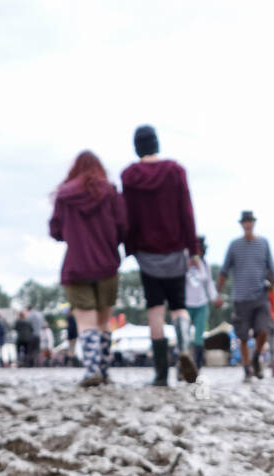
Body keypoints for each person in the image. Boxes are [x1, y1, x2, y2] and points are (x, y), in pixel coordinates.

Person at [121, 124, 199, 387]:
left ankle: (161, 374)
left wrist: (130, 248)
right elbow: (186, 211)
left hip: (147, 254)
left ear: (137, 147)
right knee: (179, 307)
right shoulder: (176, 171)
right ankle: (186, 347)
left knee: (155, 310)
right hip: (175, 251)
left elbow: (128, 214)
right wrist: (194, 249)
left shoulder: (130, 176)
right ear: (157, 144)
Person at [49, 150, 127, 386]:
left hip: (76, 265)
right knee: (104, 322)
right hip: (107, 264)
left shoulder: (65, 195)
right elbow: (124, 226)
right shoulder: (111, 192)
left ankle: (92, 368)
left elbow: (55, 230)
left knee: (86, 323)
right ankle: (103, 371)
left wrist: (74, 232)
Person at [217, 211, 274, 381]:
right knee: (242, 336)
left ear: (253, 223)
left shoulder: (263, 243)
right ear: (242, 224)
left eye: (250, 221)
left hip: (260, 296)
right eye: (245, 222)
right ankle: (246, 367)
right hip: (240, 298)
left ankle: (256, 357)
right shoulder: (234, 245)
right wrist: (217, 293)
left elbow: (272, 269)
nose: (247, 225)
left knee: (263, 330)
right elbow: (224, 271)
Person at [185, 237, 221, 371]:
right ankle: (182, 365)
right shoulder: (184, 263)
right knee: (184, 336)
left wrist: (215, 298)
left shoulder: (205, 265)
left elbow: (209, 283)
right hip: (186, 304)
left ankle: (197, 366)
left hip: (201, 304)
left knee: (199, 337)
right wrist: (187, 267)